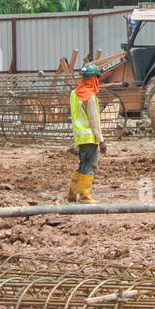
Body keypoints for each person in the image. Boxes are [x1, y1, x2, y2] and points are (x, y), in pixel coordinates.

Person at [67, 63, 106, 204]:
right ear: (94, 79)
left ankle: (72, 193)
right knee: (90, 166)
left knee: (82, 165)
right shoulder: (89, 96)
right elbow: (94, 120)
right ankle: (84, 196)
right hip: (89, 137)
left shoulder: (74, 94)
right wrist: (101, 140)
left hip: (79, 137)